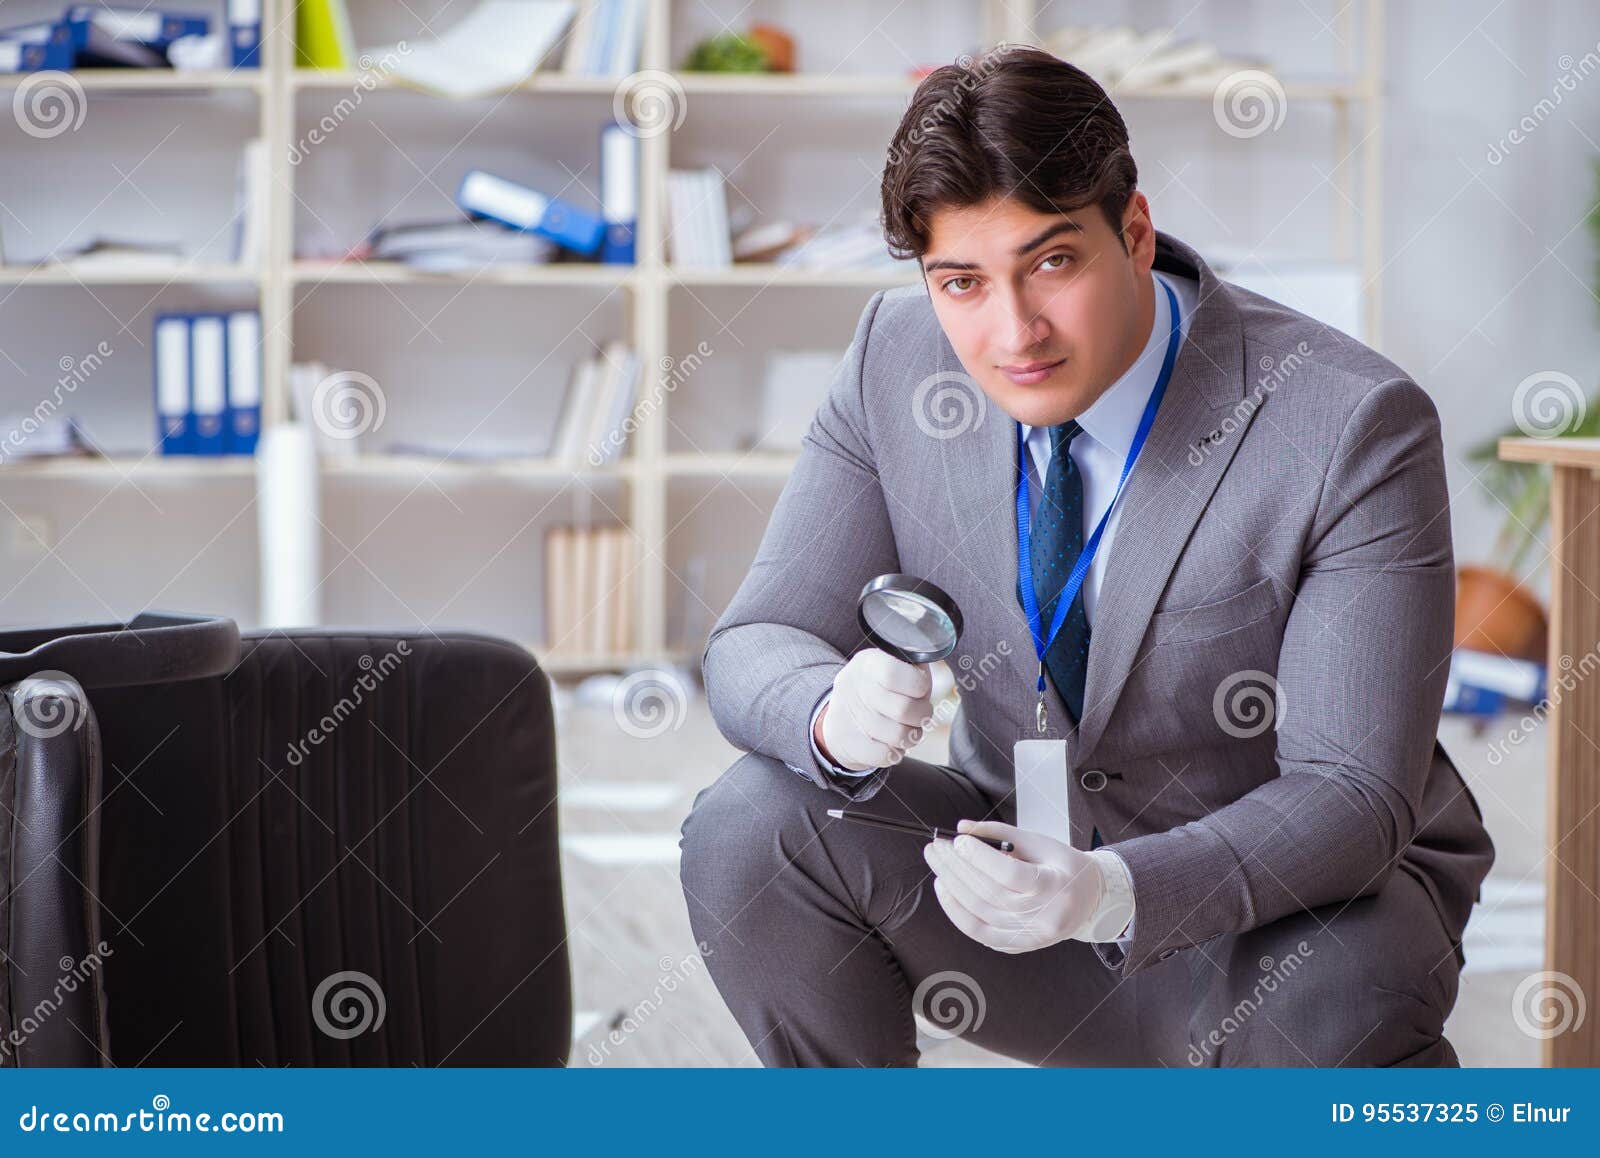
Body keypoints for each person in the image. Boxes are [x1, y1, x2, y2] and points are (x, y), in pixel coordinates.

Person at [678, 46, 1494, 1067]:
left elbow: (1350, 794)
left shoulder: (1348, 423)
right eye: (962, 282)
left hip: (1288, 919)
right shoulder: (893, 361)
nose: (1012, 330)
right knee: (751, 825)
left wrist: (1111, 892)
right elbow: (757, 639)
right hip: (1021, 888)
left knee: (1335, 1008)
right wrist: (826, 712)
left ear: (1135, 233)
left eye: (1051, 263)